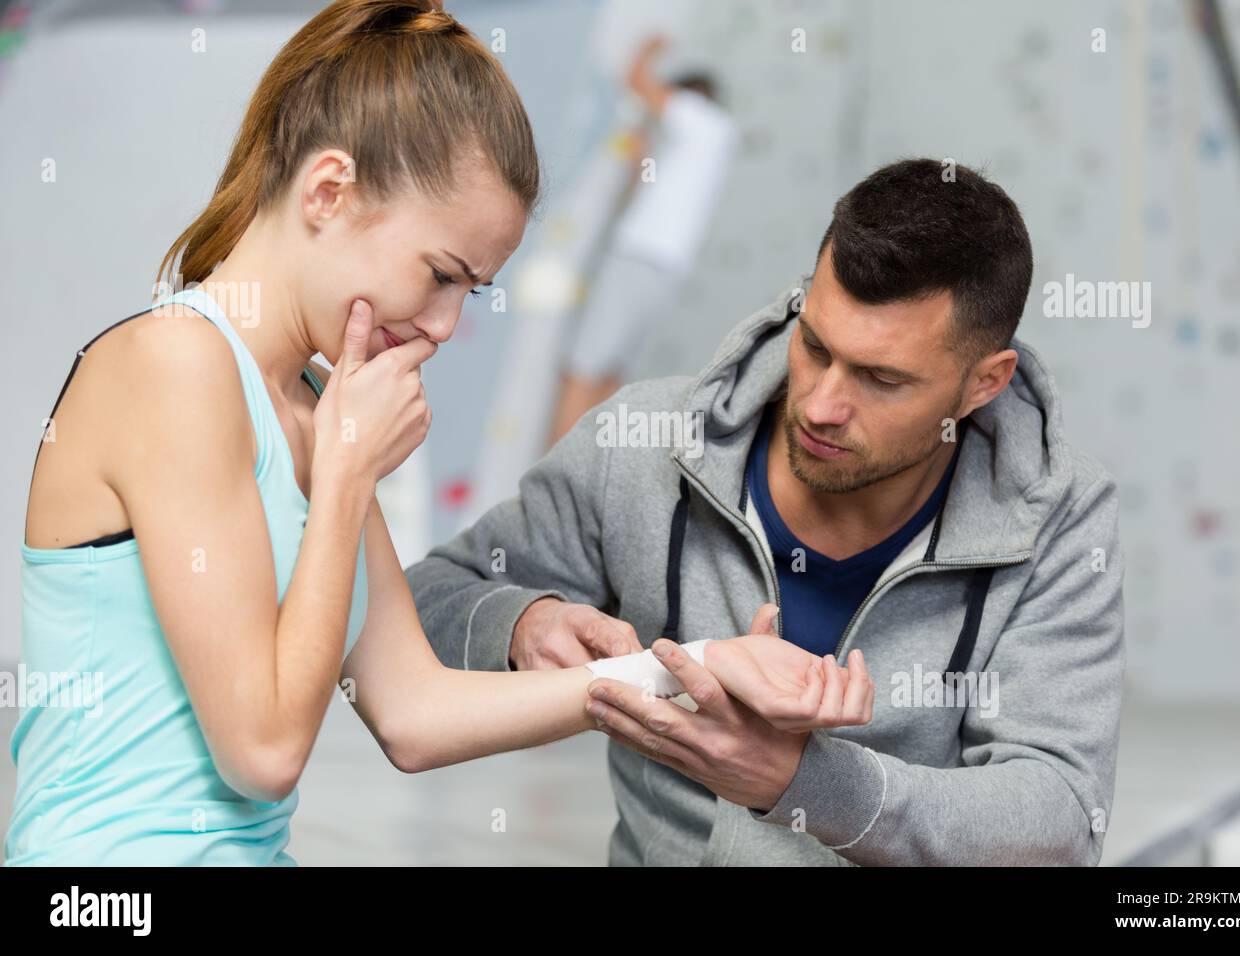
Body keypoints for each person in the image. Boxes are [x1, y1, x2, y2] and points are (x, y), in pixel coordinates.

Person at [6, 0, 867, 867]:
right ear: (329, 192)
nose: (447, 326)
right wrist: (344, 481)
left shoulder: (315, 405)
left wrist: (696, 665)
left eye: (473, 291)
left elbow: (413, 712)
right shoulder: (176, 365)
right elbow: (262, 754)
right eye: (441, 275)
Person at [407, 158, 1127, 866]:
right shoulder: (641, 443)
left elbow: (1059, 818)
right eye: (814, 345)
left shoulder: (1060, 518)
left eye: (881, 379)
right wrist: (522, 623)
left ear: (983, 384)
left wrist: (801, 784)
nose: (820, 405)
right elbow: (423, 599)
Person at [549, 34, 739, 443]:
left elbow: (636, 78)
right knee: (611, 376)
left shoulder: (702, 119)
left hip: (640, 254)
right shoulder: (707, 146)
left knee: (582, 366)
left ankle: (547, 484)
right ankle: (581, 476)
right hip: (665, 268)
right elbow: (640, 184)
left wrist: (650, 45)